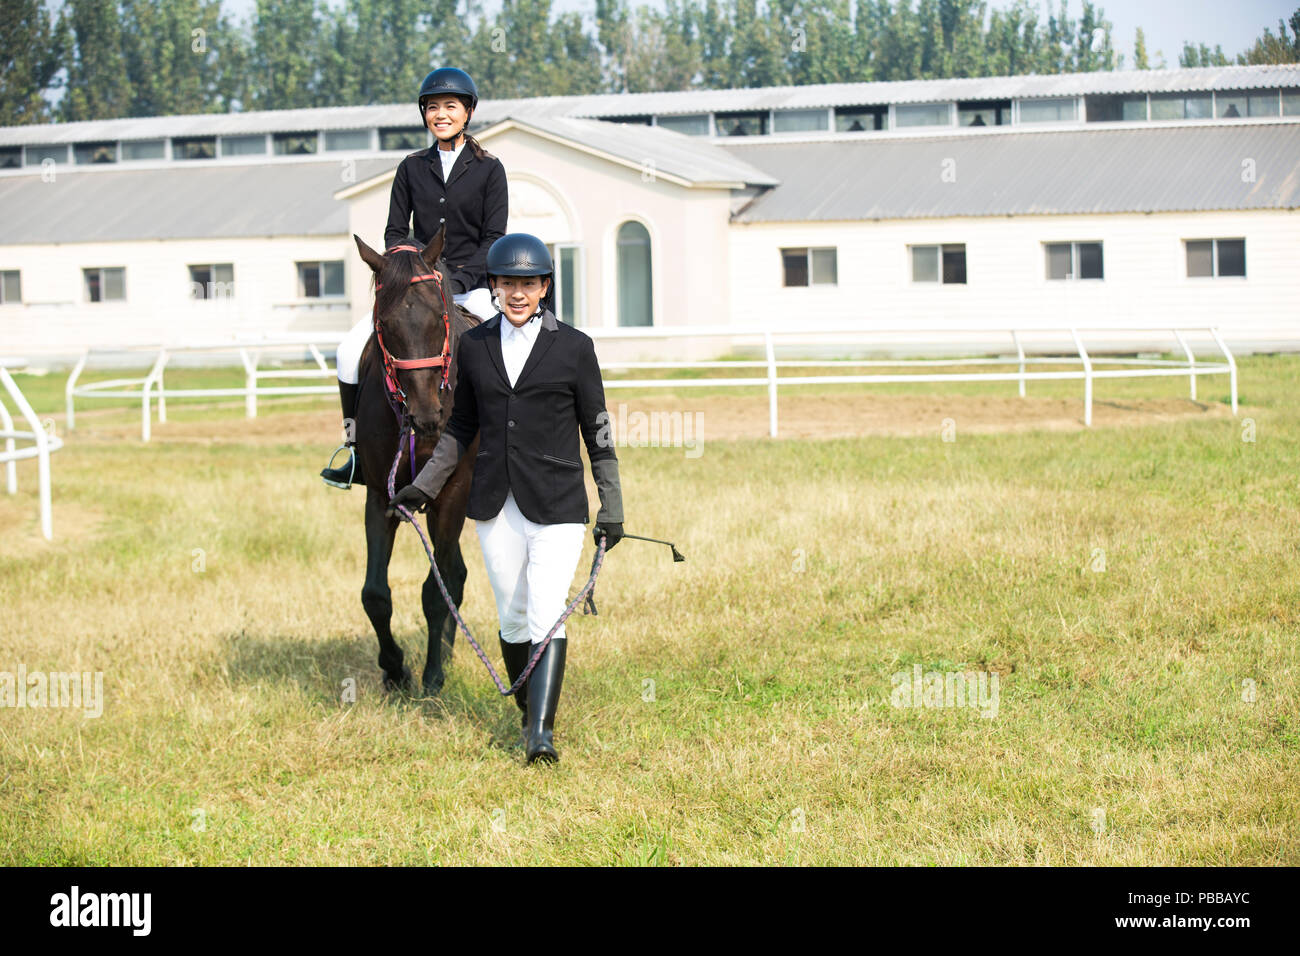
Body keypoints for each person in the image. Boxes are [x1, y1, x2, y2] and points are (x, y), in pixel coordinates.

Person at [387, 233, 624, 765]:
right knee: (513, 620)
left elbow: (599, 428)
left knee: (544, 613)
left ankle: (539, 734)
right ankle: (528, 706)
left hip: (559, 502)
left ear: (544, 287)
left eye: (529, 283)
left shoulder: (575, 347)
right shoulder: (472, 347)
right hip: (495, 502)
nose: (518, 293)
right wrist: (423, 486)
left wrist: (613, 502)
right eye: (508, 283)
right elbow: (461, 426)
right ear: (493, 287)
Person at [322, 66, 508, 488]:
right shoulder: (410, 168)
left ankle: (504, 446)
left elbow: (494, 239)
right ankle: (354, 451)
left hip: (472, 287)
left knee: (497, 350)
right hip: (417, 287)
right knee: (349, 350)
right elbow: (393, 232)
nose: (441, 114)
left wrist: (455, 280)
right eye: (433, 108)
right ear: (425, 114)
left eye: (450, 107)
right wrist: (409, 270)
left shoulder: (490, 170)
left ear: (468, 112)